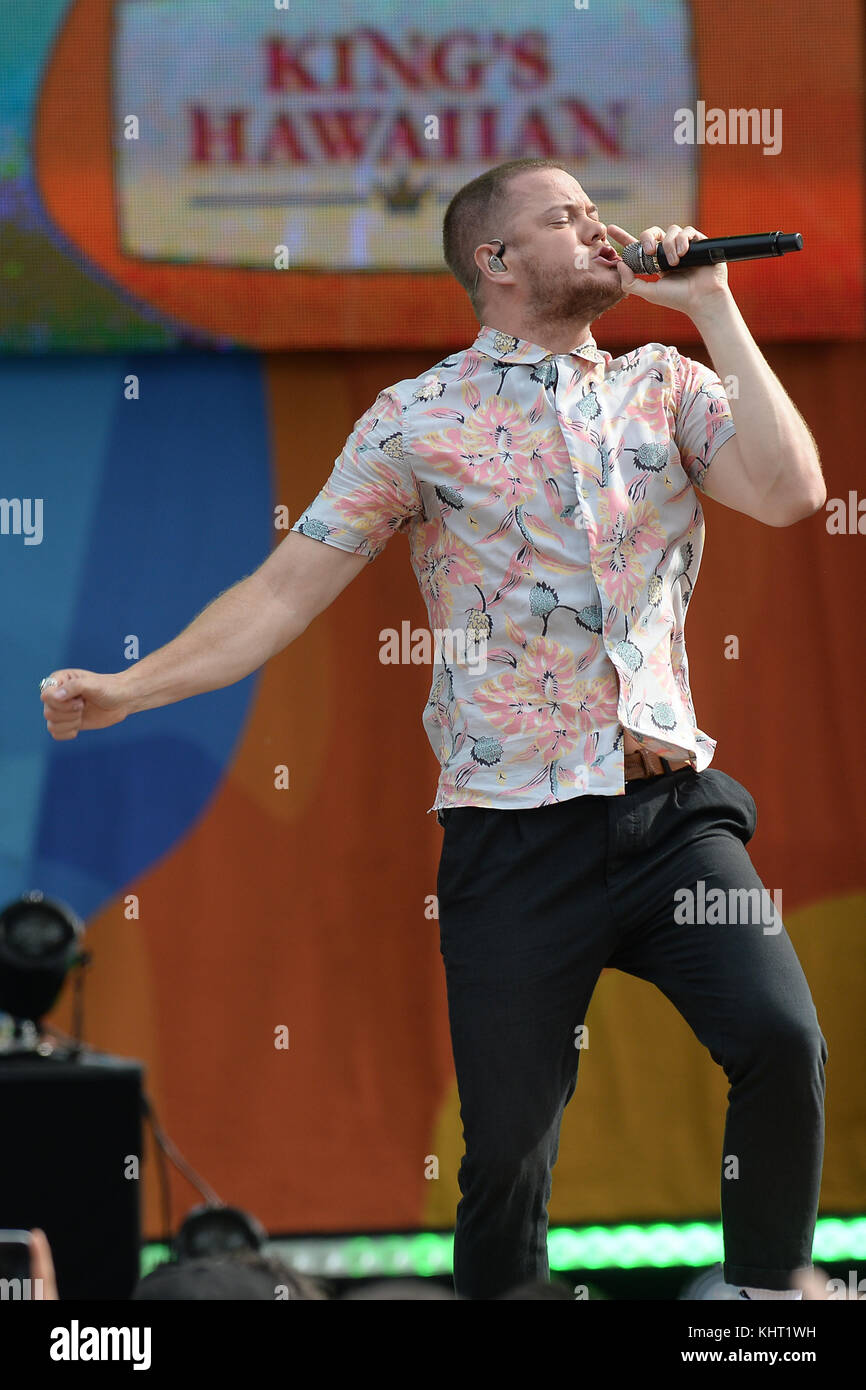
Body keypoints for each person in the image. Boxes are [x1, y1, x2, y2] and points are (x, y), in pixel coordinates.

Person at [39, 157, 828, 1303]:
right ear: (494, 262)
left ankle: (765, 1300)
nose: (600, 230)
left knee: (781, 1038)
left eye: (600, 213)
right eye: (565, 218)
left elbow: (790, 489)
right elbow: (279, 592)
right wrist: (130, 689)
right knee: (505, 1150)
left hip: (666, 819)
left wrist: (711, 305)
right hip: (512, 837)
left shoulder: (666, 383)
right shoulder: (417, 420)